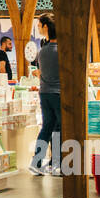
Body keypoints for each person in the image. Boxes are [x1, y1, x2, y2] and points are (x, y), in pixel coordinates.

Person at [29, 16, 62, 176]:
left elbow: (44, 72)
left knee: (48, 127)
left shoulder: (43, 51)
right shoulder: (60, 51)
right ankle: (57, 164)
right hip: (58, 94)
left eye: (39, 25)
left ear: (47, 27)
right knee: (59, 128)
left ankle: (38, 162)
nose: (38, 28)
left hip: (45, 93)